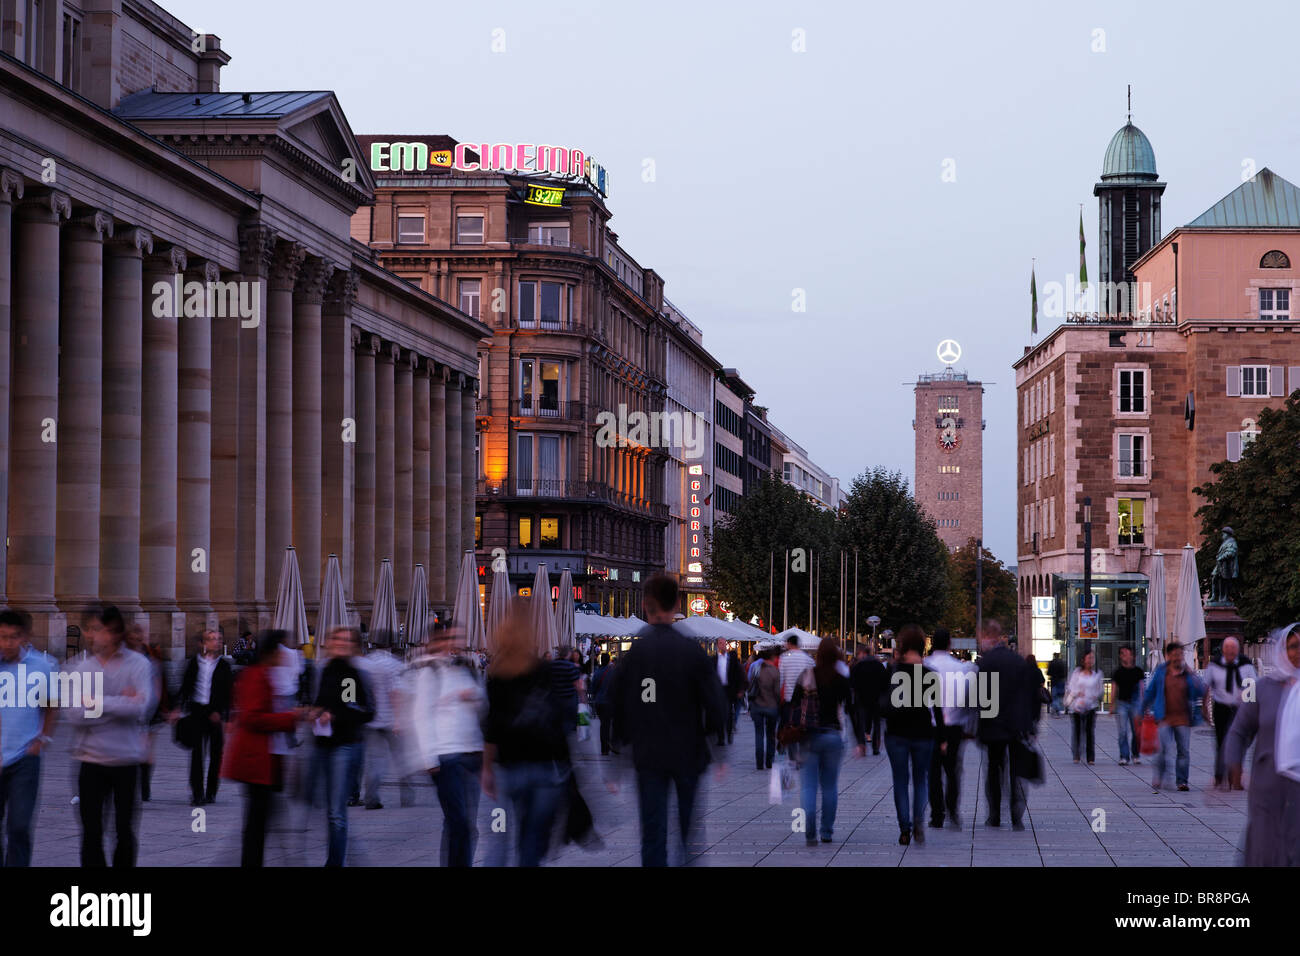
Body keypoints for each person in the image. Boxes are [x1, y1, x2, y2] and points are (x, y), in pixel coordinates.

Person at [610, 573, 727, 867]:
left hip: (648, 753)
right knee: (688, 831)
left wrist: (621, 744)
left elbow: (617, 701)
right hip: (688, 751)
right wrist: (716, 742)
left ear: (645, 604)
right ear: (676, 603)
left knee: (653, 831)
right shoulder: (692, 651)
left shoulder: (636, 652)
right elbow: (715, 702)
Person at [65, 605, 156, 867]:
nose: (97, 636)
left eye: (103, 630)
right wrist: (118, 703)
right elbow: (74, 715)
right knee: (91, 833)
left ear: (116, 633)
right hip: (90, 760)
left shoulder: (137, 664)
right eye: (92, 629)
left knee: (124, 831)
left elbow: (141, 706)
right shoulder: (79, 668)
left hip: (126, 760)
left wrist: (94, 702)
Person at [482, 610, 569, 867]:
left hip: (507, 770)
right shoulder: (544, 670)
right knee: (531, 840)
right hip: (543, 768)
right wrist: (565, 765)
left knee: (498, 835)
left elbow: (492, 725)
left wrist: (486, 768)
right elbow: (557, 719)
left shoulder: (496, 675)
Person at [222, 630, 304, 867]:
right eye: (280, 649)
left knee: (261, 820)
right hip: (255, 761)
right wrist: (291, 717)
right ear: (270, 652)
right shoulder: (256, 676)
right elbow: (252, 718)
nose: (283, 654)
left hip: (267, 760)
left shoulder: (266, 675)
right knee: (257, 822)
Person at [409, 624, 485, 867]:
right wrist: (429, 757)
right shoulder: (429, 672)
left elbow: (482, 705)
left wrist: (472, 698)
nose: (451, 645)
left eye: (455, 639)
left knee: (465, 824)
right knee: (459, 822)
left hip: (472, 753)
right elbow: (421, 716)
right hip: (446, 755)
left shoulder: (464, 669)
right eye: (445, 640)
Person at [1225, 623, 1300, 865]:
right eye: (1293, 646)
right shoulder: (1262, 688)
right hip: (1267, 785)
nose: (1299, 652)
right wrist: (1234, 765)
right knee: (1264, 846)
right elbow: (1239, 731)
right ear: (1281, 650)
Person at [311, 626, 374, 866]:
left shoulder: (349, 674)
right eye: (336, 639)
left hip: (344, 746)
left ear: (353, 646)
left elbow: (358, 710)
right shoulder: (324, 670)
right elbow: (321, 701)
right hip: (323, 743)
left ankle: (335, 862)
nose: (339, 643)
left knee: (336, 812)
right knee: (328, 809)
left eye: (345, 640)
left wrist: (332, 716)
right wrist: (315, 711)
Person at [0, 609, 56, 866]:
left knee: (19, 825)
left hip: (25, 756)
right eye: (2, 637)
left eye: (13, 637)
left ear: (24, 637)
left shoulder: (43, 667)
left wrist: (41, 740)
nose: (7, 643)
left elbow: (51, 706)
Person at [884, 625, 943, 845]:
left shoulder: (892, 671)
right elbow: (937, 709)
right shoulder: (929, 674)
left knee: (900, 781)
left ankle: (904, 829)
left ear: (902, 645)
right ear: (922, 646)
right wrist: (943, 737)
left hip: (896, 732)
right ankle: (918, 819)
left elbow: (882, 702)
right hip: (923, 732)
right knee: (921, 780)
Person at [793, 637, 852, 846]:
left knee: (808, 786)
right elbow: (850, 708)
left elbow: (793, 704)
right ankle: (826, 831)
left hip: (809, 736)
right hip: (833, 736)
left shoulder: (807, 675)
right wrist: (861, 740)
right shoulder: (840, 678)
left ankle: (809, 829)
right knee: (829, 786)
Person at [977, 620, 1033, 829]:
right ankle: (1016, 814)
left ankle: (994, 815)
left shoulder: (985, 663)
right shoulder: (1018, 661)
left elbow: (980, 698)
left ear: (989, 636)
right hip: (1016, 726)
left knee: (994, 769)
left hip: (993, 726)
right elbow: (1028, 695)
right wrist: (1030, 724)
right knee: (1015, 771)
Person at [925, 627, 975, 830]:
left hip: (930, 727)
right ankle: (953, 810)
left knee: (933, 772)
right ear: (949, 644)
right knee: (953, 770)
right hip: (954, 726)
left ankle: (937, 814)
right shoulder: (961, 668)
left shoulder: (925, 666)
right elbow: (967, 700)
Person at [176, 628, 233, 806]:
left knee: (216, 754)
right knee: (197, 754)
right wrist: (177, 708)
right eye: (211, 639)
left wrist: (225, 715)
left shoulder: (224, 666)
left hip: (214, 714)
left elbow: (228, 693)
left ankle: (211, 792)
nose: (216, 642)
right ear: (203, 643)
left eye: (218, 639)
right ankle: (197, 793)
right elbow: (185, 687)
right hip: (197, 712)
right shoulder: (194, 663)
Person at [1141, 641, 1206, 793]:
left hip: (1183, 718)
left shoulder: (1187, 674)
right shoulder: (1161, 672)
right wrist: (1142, 709)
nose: (1178, 657)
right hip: (1164, 718)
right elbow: (1150, 692)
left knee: (1183, 751)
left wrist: (1192, 674)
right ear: (1168, 656)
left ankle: (1182, 781)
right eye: (1175, 654)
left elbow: (1200, 691)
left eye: (1180, 654)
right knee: (1163, 749)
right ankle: (1160, 775)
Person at [357, 630, 409, 810]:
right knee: (402, 758)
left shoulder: (366, 663)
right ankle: (407, 797)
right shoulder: (393, 664)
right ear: (391, 643)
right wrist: (399, 719)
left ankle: (371, 798)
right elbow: (396, 692)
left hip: (371, 720)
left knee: (374, 761)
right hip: (390, 719)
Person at [1204, 637, 1258, 788]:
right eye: (1227, 648)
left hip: (1240, 709)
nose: (1230, 652)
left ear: (1237, 650)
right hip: (1221, 707)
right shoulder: (1214, 664)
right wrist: (1204, 708)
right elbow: (1206, 686)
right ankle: (1220, 775)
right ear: (1223, 650)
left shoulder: (1246, 665)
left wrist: (1249, 704)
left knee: (1239, 742)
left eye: (1233, 649)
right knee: (1221, 742)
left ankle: (1236, 776)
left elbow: (1253, 687)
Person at [778, 634, 814, 759]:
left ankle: (793, 756)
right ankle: (803, 754)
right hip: (805, 699)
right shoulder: (808, 659)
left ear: (789, 644)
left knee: (791, 726)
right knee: (804, 727)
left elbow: (781, 679)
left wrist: (779, 697)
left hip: (789, 699)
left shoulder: (784, 658)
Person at [1065, 649, 1103, 764]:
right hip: (1077, 706)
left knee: (1089, 732)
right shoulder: (1077, 673)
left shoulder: (1096, 674)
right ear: (1083, 660)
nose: (1090, 660)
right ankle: (1076, 754)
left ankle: (1090, 758)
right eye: (1089, 658)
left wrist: (1094, 696)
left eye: (1092, 658)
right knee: (1077, 731)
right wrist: (1078, 693)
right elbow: (1071, 687)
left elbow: (1099, 690)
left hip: (1091, 706)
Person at [850, 643, 887, 755]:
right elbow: (885, 684)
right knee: (877, 723)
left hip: (861, 699)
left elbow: (852, 683)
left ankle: (862, 745)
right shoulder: (879, 666)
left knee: (861, 723)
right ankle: (875, 747)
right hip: (876, 699)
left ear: (864, 654)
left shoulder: (858, 666)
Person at [1111, 646, 1145, 766]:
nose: (1123, 656)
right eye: (1121, 654)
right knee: (1122, 731)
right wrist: (1112, 704)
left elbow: (1142, 688)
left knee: (1137, 731)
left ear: (1132, 656)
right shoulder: (1118, 672)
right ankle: (1124, 756)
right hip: (1122, 704)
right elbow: (1114, 688)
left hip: (1135, 703)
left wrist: (1144, 705)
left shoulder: (1138, 671)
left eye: (1126, 653)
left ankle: (1135, 754)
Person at [748, 647, 781, 770]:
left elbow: (750, 685)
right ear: (772, 657)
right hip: (771, 707)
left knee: (759, 734)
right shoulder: (775, 671)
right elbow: (777, 692)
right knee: (771, 734)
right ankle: (769, 760)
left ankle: (759, 762)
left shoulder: (755, 669)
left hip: (757, 706)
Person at [713, 639, 744, 745]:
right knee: (718, 714)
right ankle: (720, 737)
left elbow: (738, 674)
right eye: (720, 643)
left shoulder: (732, 659)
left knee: (729, 713)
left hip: (729, 689)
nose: (723, 646)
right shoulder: (713, 659)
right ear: (717, 645)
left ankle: (729, 733)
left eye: (724, 643)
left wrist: (740, 689)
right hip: (718, 690)